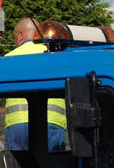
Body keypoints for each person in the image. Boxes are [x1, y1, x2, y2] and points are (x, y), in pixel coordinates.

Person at [4, 18, 68, 151]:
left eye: (15, 38)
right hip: (53, 122)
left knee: (20, 167)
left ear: (21, 35)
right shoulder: (54, 54)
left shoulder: (9, 57)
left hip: (18, 125)